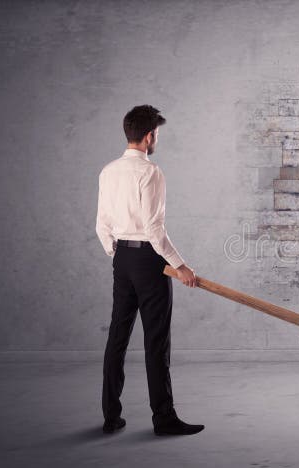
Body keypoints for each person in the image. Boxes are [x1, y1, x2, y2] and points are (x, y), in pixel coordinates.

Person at [96, 104, 204, 436]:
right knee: (156, 341)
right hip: (149, 260)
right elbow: (154, 230)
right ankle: (164, 419)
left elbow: (101, 225)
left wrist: (119, 254)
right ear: (149, 136)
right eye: (157, 135)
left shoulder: (108, 171)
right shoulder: (151, 172)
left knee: (118, 337)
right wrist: (180, 266)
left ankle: (111, 417)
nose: (156, 140)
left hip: (122, 260)